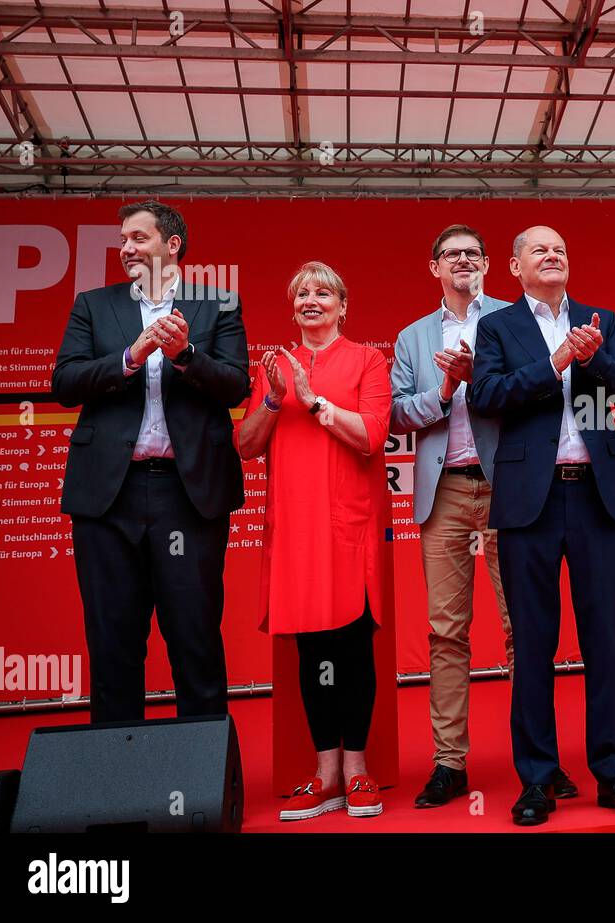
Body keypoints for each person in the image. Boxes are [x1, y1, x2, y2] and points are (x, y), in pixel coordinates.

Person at [468, 225, 615, 827]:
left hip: (597, 496)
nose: (553, 257)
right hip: (531, 500)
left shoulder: (601, 317)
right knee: (534, 641)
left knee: (606, 640)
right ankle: (538, 778)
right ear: (516, 267)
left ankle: (613, 771)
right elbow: (487, 396)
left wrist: (594, 356)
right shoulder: (497, 328)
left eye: (561, 250)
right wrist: (555, 363)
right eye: (539, 251)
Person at [391, 225, 574, 808]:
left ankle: (538, 762)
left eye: (473, 253)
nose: (463, 261)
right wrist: (444, 391)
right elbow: (397, 414)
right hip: (444, 491)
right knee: (447, 633)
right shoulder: (412, 337)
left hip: (511, 490)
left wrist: (487, 382)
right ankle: (449, 763)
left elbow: (543, 391)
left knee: (526, 629)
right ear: (433, 267)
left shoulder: (515, 321)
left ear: (492, 264)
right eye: (451, 255)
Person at [51, 200, 249, 725]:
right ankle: (117, 794)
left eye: (137, 238)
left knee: (195, 638)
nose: (126, 249)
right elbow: (65, 383)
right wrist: (129, 358)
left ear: (171, 245)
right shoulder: (93, 305)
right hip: (107, 498)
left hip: (188, 496)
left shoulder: (219, 305)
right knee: (113, 643)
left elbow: (236, 384)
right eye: (122, 241)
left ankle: (204, 794)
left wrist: (186, 355)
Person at [237, 261, 393, 821]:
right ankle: (324, 773)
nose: (311, 300)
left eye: (323, 292)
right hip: (296, 526)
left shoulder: (368, 359)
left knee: (352, 646)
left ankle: (357, 770)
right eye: (301, 292)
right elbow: (247, 444)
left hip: (347, 524)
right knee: (312, 651)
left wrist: (316, 400)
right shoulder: (273, 366)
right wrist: (278, 400)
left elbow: (373, 436)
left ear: (342, 306)